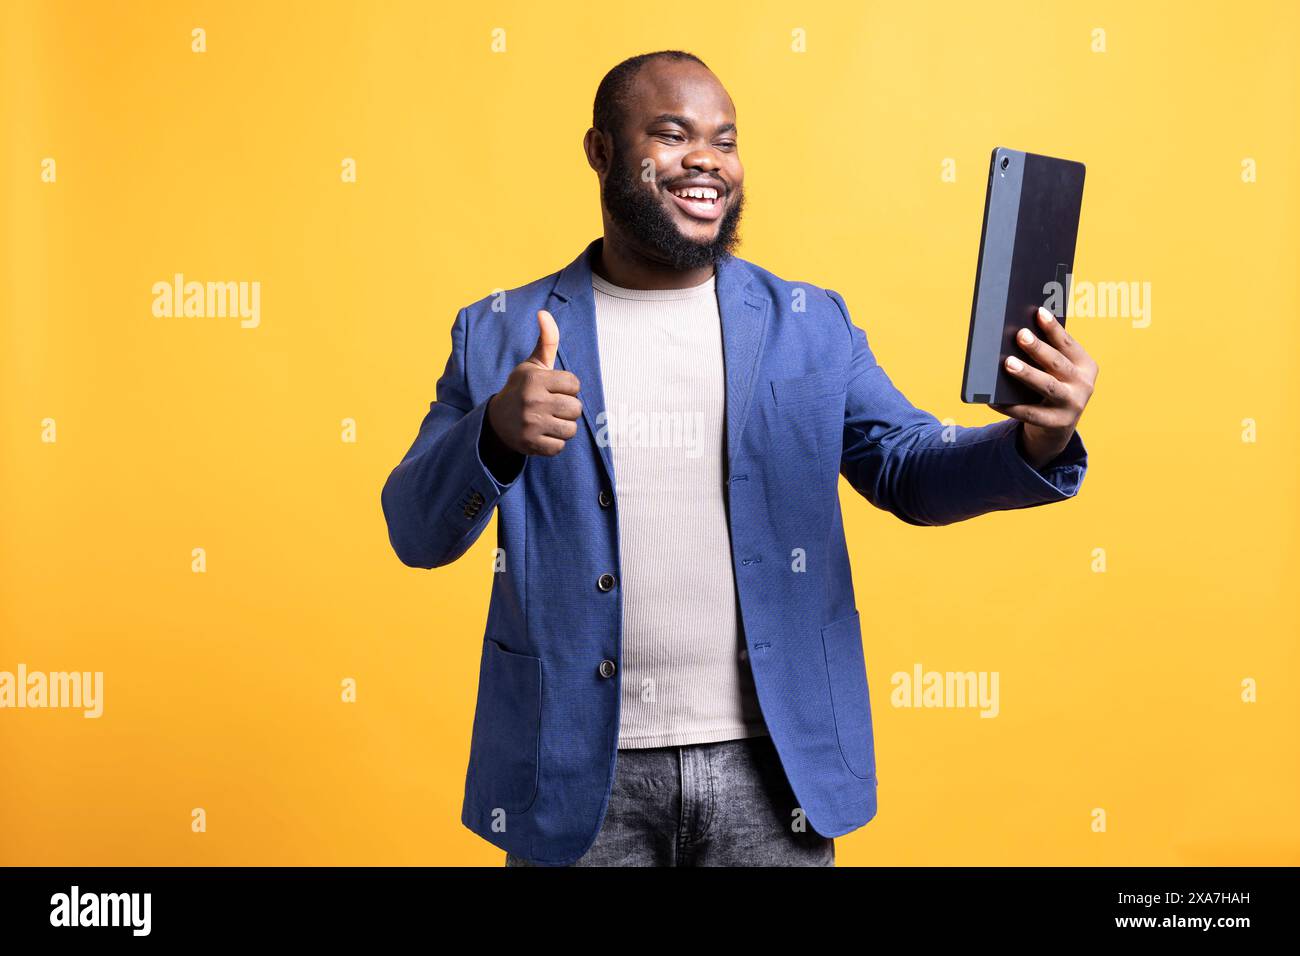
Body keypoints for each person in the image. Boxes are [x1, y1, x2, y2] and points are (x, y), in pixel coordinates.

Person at [380, 50, 1097, 867]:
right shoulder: (500, 331)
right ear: (602, 152)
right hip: (576, 777)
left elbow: (908, 469)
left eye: (725, 140)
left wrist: (1038, 437)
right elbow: (415, 531)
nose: (706, 161)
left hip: (774, 775)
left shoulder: (808, 323)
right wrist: (494, 433)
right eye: (672, 133)